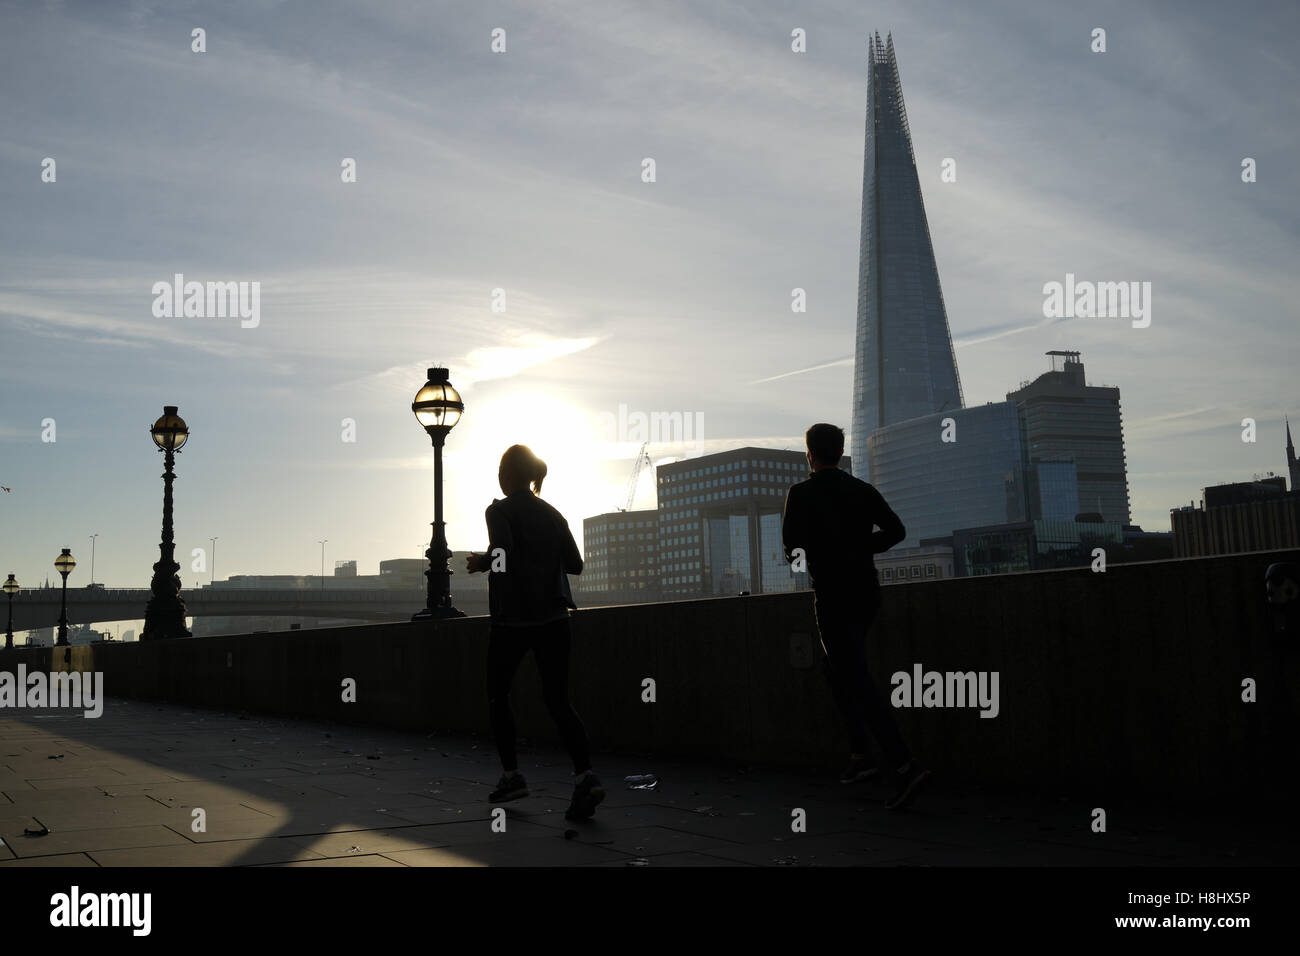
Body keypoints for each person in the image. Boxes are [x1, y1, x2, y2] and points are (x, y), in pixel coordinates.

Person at [781, 423, 930, 810]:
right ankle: (860, 756)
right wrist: (861, 548)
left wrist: (821, 553)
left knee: (856, 678)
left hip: (831, 596)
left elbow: (791, 553)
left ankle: (903, 765)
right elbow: (896, 531)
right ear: (841, 451)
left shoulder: (800, 494)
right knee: (839, 669)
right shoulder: (863, 490)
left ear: (809, 453)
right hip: (866, 593)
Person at [466, 444, 604, 821]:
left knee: (498, 695)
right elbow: (575, 565)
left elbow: (504, 555)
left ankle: (512, 776)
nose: (497, 476)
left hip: (513, 619)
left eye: (499, 469)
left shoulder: (499, 509)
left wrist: (481, 562)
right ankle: (585, 777)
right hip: (556, 617)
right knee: (559, 701)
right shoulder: (554, 513)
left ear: (508, 475)